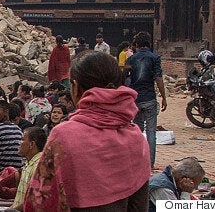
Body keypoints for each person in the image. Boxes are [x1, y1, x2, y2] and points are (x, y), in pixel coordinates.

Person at [23, 50, 151, 211]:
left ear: (75, 87)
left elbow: (39, 202)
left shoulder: (64, 135)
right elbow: (139, 206)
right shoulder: (137, 138)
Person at [125, 31, 167, 167]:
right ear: (149, 43)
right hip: (149, 98)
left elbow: (124, 78)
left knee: (137, 131)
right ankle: (150, 163)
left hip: (135, 99)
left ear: (136, 44)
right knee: (151, 132)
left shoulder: (130, 59)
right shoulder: (155, 58)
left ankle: (136, 161)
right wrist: (164, 97)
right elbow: (158, 78)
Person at [12, 126, 46, 209]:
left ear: (32, 144)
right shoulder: (28, 163)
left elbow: (34, 200)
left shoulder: (38, 166)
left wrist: (12, 210)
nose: (19, 143)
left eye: (22, 139)